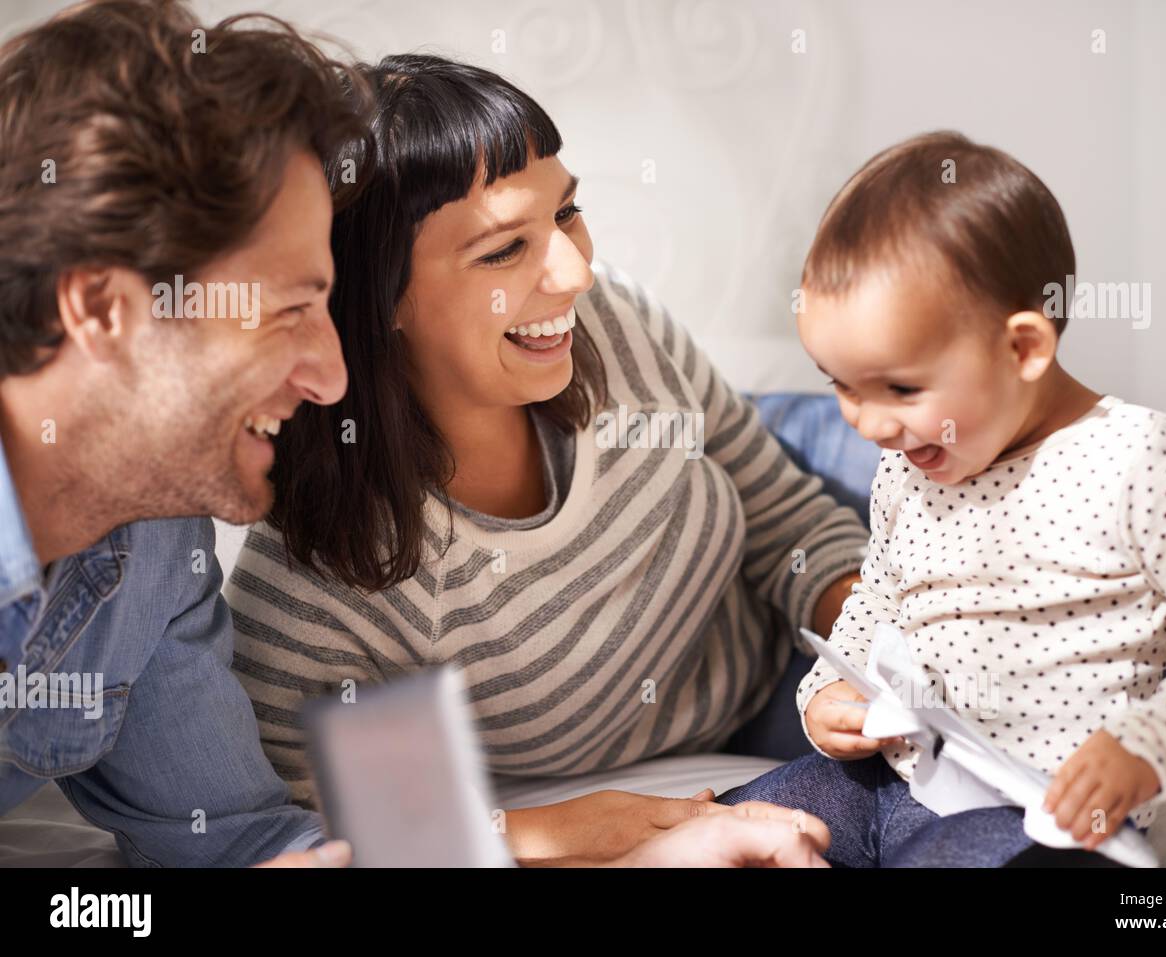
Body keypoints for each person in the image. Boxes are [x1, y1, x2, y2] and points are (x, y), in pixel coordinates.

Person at [0, 0, 828, 869]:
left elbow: (240, 841)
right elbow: (332, 816)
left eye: (323, 303)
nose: (329, 372)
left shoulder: (159, 548)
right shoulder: (330, 583)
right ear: (98, 309)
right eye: (285, 310)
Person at [226, 53, 868, 864]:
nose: (576, 274)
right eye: (503, 252)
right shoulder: (329, 581)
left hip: (781, 654)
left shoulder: (613, 320)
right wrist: (553, 829)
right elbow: (309, 832)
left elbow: (785, 516)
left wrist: (869, 649)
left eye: (565, 215)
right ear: (378, 295)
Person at [714, 131, 1166, 867]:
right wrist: (828, 689)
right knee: (742, 827)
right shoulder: (907, 465)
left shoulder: (1134, 457)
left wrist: (1149, 746)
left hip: (1038, 809)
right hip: (903, 776)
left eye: (899, 387)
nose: (867, 423)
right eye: (840, 384)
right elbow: (877, 602)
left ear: (1023, 348)